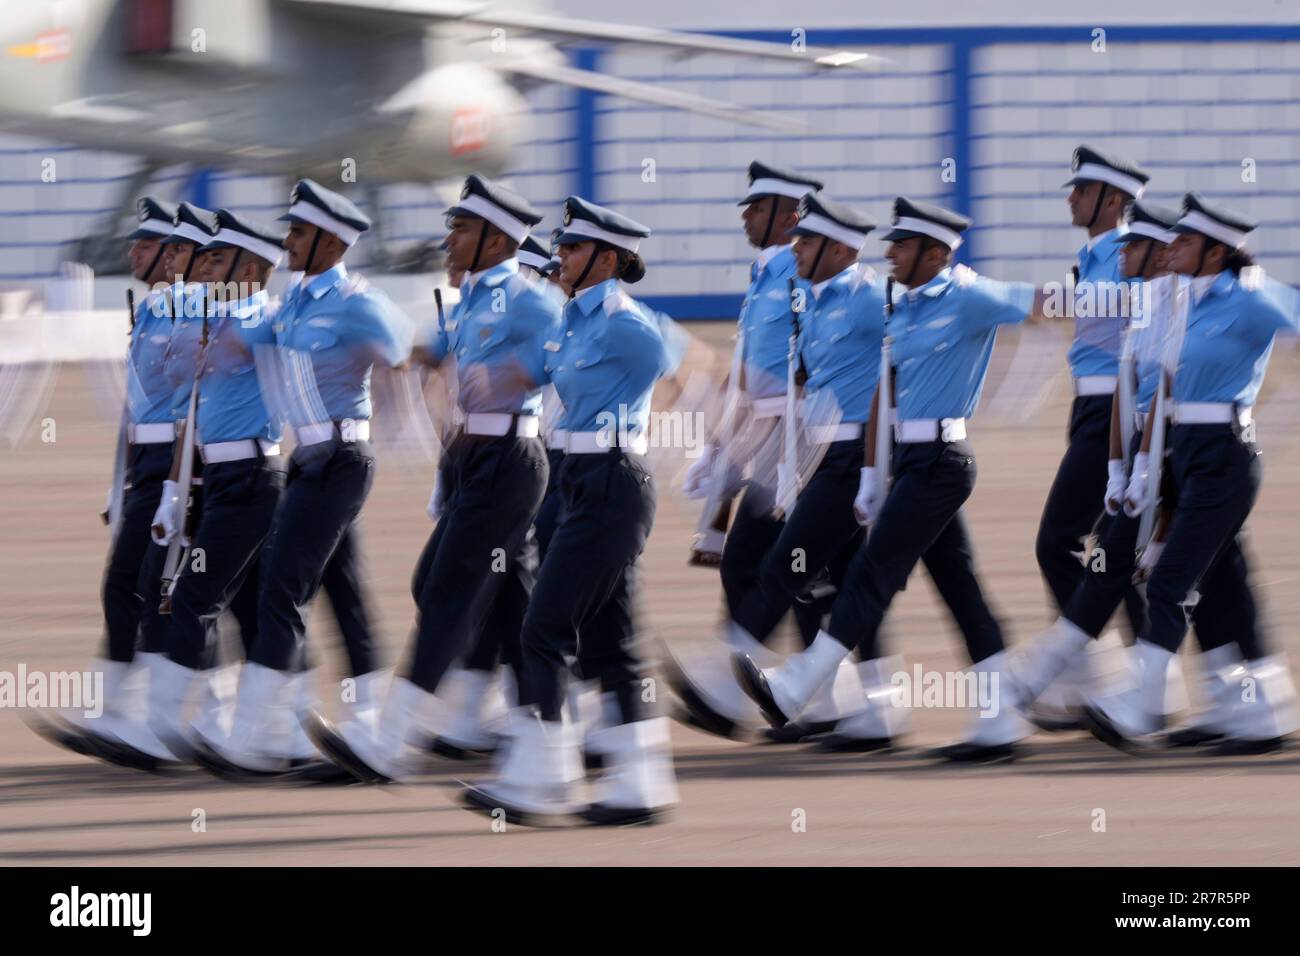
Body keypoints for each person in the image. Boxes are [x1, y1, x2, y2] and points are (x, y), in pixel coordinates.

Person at [737, 197, 1043, 763]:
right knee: (960, 587)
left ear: (936, 253)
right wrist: (874, 475)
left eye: (902, 246)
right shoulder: (900, 307)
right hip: (909, 459)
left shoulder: (970, 296)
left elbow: (1042, 303)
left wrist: (1132, 299)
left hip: (943, 460)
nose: (891, 254)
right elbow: (886, 388)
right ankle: (1001, 719)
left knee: (872, 574)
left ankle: (798, 684)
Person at [309, 175, 559, 781]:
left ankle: (390, 741)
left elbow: (571, 353)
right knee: (495, 593)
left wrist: (525, 372)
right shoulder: (471, 296)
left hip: (510, 460)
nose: (448, 242)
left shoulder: (531, 300)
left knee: (447, 592)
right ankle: (543, 728)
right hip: (472, 460)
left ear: (498, 241)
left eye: (462, 230)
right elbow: (425, 352)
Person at [461, 196, 680, 826]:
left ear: (607, 259)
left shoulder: (626, 322)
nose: (560, 256)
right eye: (561, 246)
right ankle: (642, 782)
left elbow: (683, 368)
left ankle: (545, 774)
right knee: (612, 638)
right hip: (576, 479)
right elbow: (522, 374)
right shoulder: (570, 321)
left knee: (543, 626)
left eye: (573, 248)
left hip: (615, 480)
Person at [194, 180, 411, 775]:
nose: (286, 241)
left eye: (297, 232)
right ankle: (362, 727)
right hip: (306, 461)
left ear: (330, 240)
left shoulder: (359, 301)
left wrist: (387, 438)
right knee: (342, 589)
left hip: (340, 459)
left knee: (282, 588)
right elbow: (236, 339)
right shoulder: (292, 302)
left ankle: (252, 735)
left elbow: (406, 362)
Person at [1080, 194, 1299, 754]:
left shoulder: (1250, 298)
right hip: (1186, 451)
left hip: (1226, 454)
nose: (1169, 248)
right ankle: (1254, 710)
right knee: (1224, 585)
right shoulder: (1180, 301)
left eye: (1183, 241)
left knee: (1174, 579)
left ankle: (1140, 704)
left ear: (1216, 251)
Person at [670, 181, 879, 746]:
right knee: (815, 573)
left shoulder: (824, 283)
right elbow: (754, 367)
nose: (747, 217)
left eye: (758, 208)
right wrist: (720, 448)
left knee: (796, 568)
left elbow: (827, 371)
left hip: (812, 440)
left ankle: (738, 686)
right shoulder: (770, 275)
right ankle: (838, 703)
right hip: (782, 436)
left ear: (788, 215)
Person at [33, 197, 178, 756]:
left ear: (171, 256)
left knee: (145, 589)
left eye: (145, 245)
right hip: (146, 467)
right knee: (140, 588)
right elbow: (131, 411)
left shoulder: (189, 314)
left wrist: (177, 483)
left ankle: (148, 714)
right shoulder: (149, 311)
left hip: (176, 466)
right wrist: (116, 486)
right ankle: (123, 708)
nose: (132, 252)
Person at [1032, 146, 1151, 724]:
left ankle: (1092, 669)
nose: (1071, 198)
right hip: (1092, 407)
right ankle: (1140, 676)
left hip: (1115, 410)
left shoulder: (1131, 257)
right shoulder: (1095, 255)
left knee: (1055, 540)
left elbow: (1131, 304)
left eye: (1081, 190)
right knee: (1115, 552)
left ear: (1114, 200)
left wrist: (1052, 298)